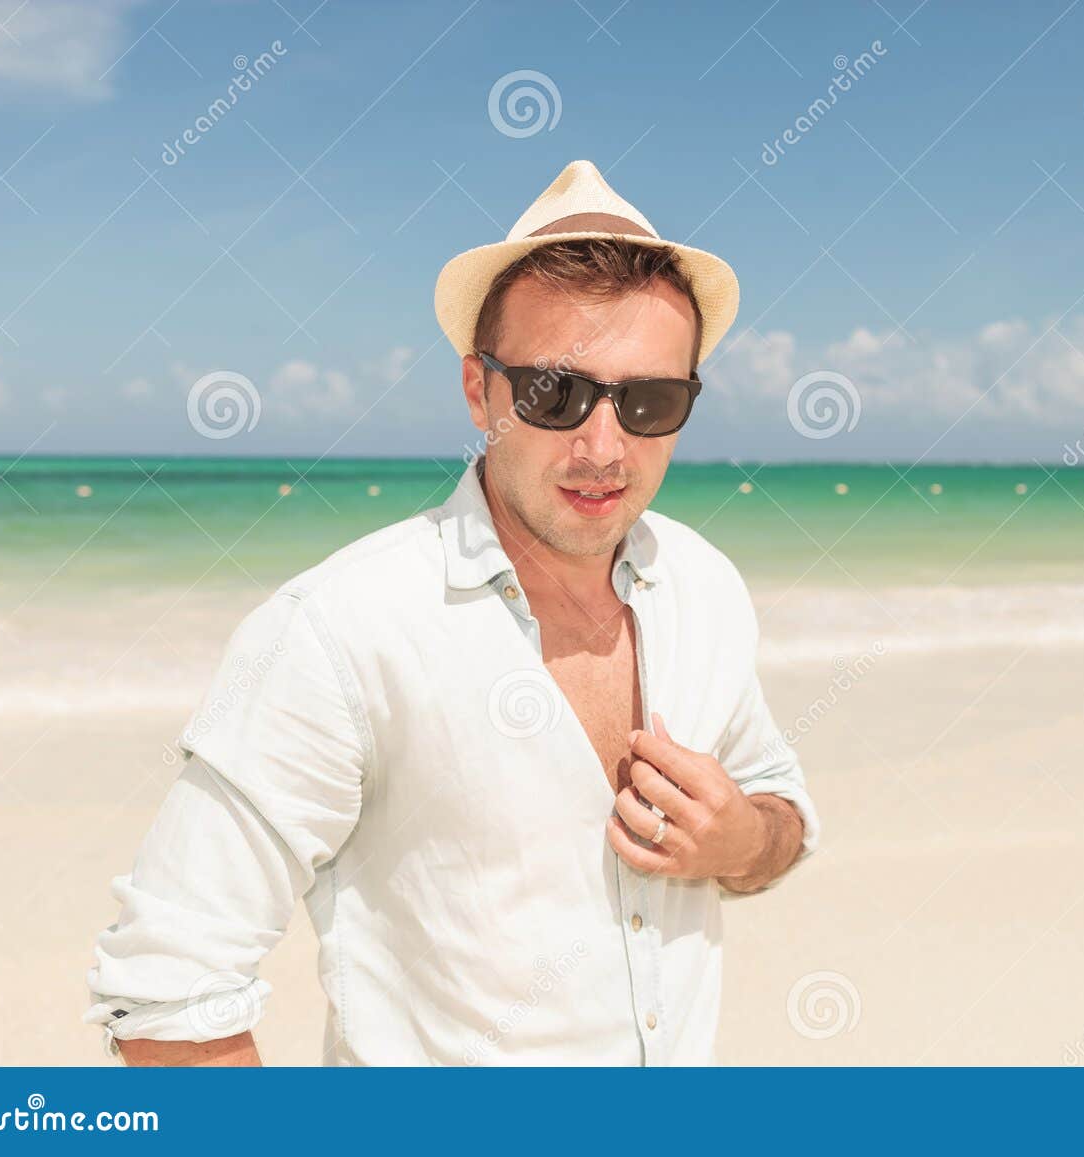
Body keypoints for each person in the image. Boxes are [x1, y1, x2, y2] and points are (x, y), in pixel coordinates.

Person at [85, 159, 820, 1065]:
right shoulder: (339, 630)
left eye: (648, 401)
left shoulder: (706, 587)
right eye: (555, 393)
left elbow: (779, 805)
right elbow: (167, 990)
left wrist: (744, 839)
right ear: (479, 391)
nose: (604, 444)